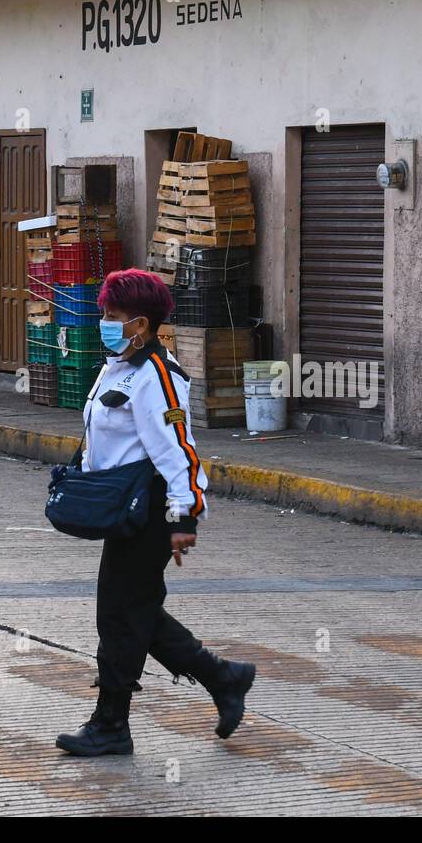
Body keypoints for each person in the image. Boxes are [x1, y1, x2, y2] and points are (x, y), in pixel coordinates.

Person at [56, 268, 256, 757]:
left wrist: (183, 518)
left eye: (112, 315)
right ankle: (223, 677)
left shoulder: (158, 377)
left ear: (140, 324)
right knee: (134, 611)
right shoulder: (116, 366)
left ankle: (111, 726)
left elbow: (178, 451)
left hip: (151, 514)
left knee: (119, 617)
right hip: (121, 510)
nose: (103, 321)